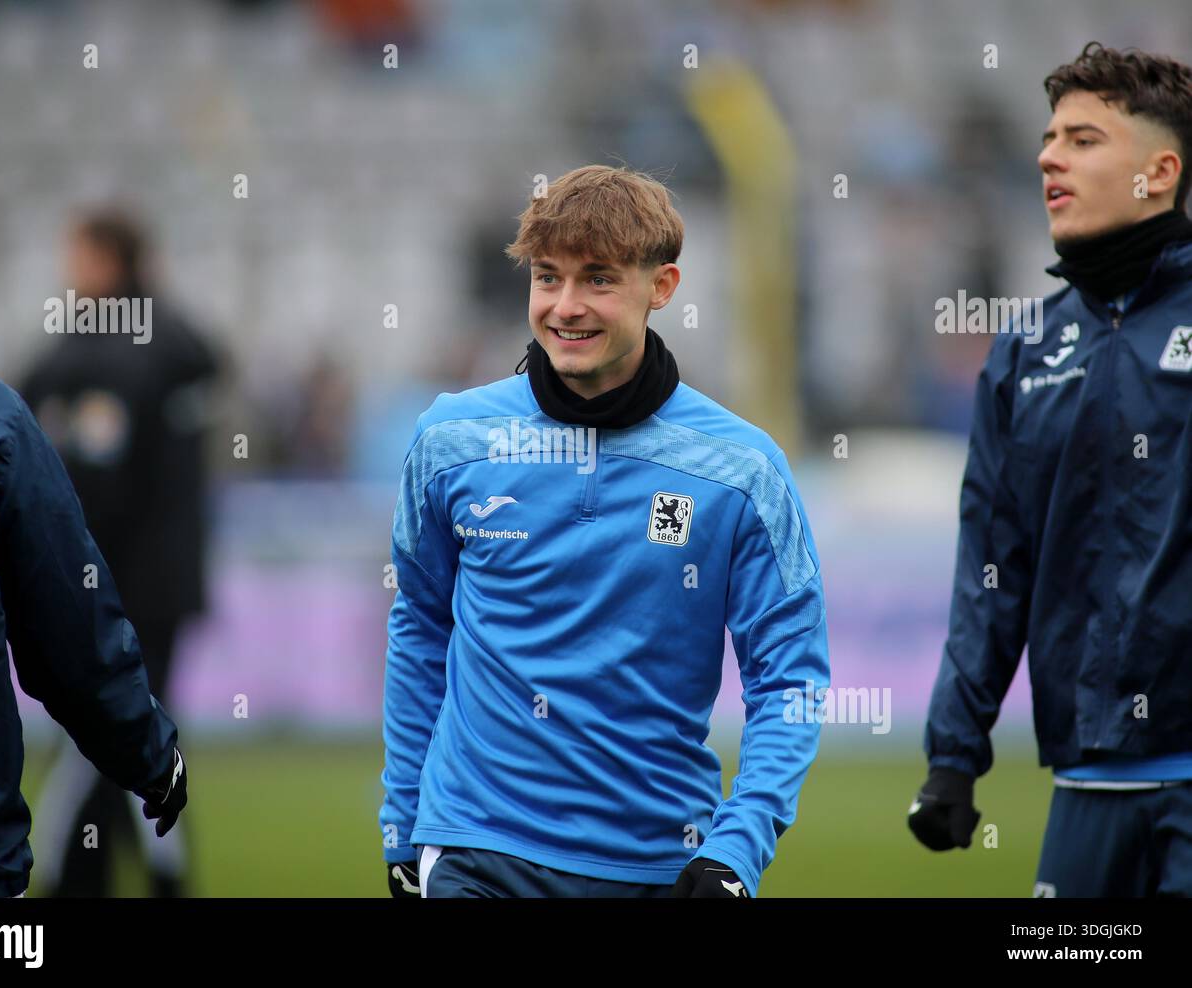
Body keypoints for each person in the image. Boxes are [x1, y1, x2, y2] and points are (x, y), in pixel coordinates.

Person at [378, 164, 830, 898]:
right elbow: (420, 626)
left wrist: (736, 851)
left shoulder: (742, 469)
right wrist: (403, 820)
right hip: (474, 853)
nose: (565, 306)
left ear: (662, 288)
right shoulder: (452, 438)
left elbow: (792, 679)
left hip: (660, 868)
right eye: (547, 277)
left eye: (598, 279)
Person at [909, 43, 1192, 897]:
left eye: (1082, 139)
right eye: (1047, 138)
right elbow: (991, 567)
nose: (1047, 157)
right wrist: (954, 757)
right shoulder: (1024, 348)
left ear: (1159, 171)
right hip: (1087, 787)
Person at [0, 123, 187, 898]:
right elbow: (71, 635)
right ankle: (127, 874)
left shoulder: (77, 368)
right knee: (94, 778)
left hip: (144, 587)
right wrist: (150, 750)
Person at [23, 209, 219, 898]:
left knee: (98, 743)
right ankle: (157, 879)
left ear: (105, 262)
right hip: (169, 586)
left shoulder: (100, 358)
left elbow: (92, 482)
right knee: (144, 738)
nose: (69, 279)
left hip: (113, 584)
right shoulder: (181, 344)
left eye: (77, 261)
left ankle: (58, 884)